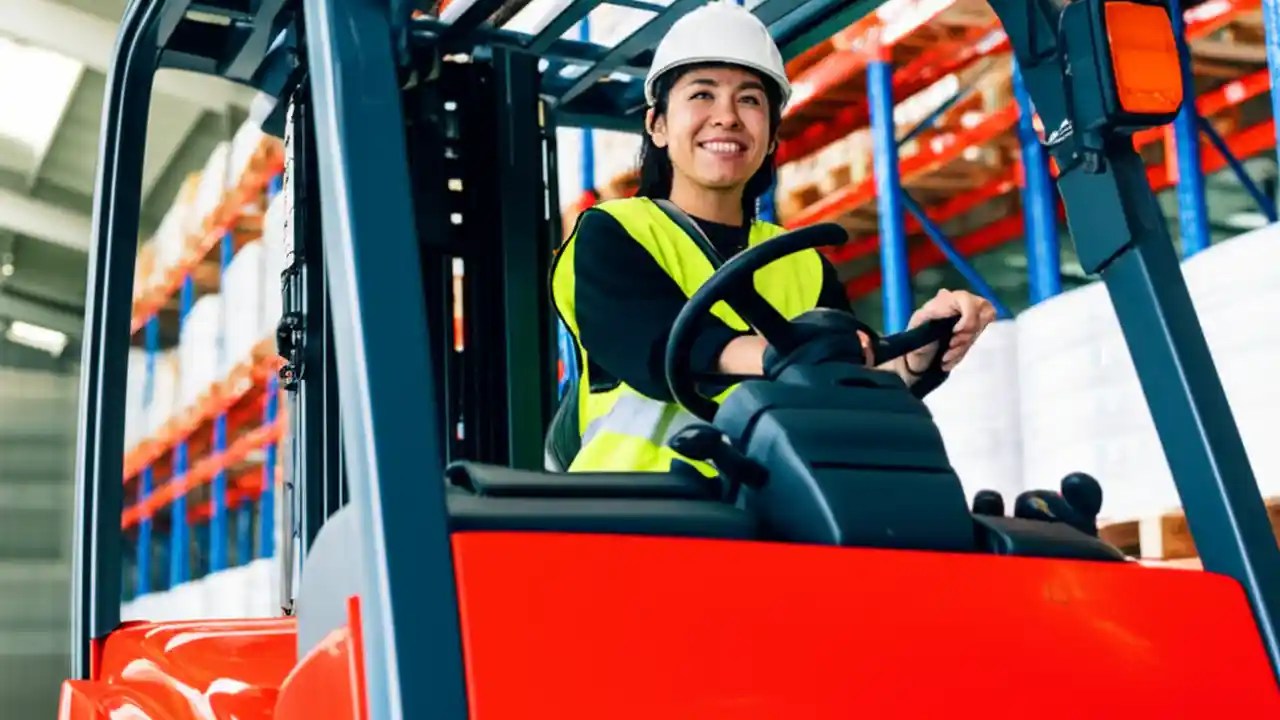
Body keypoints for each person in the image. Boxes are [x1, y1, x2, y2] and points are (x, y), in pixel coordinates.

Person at [549, 1, 997, 474]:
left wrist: (913, 360)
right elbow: (654, 346)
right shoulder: (614, 232)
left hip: (774, 509)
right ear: (657, 125)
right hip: (639, 518)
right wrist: (787, 354)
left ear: (770, 136)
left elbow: (842, 391)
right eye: (702, 95)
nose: (727, 117)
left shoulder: (803, 261)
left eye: (749, 100)